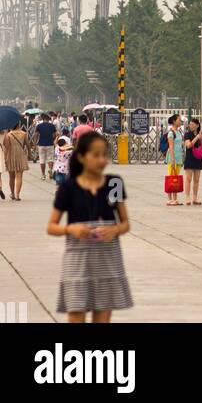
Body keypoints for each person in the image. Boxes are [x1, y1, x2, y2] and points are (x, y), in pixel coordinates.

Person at [47, 130, 132, 323]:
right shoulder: (69, 188)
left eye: (104, 154)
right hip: (78, 259)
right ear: (82, 157)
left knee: (103, 315)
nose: (102, 160)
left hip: (108, 258)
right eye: (96, 155)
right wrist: (71, 229)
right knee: (76, 312)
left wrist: (115, 229)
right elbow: (52, 226)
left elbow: (125, 223)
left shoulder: (114, 184)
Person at [4, 122, 30, 200]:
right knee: (19, 176)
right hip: (21, 155)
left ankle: (12, 194)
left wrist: (5, 157)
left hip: (11, 155)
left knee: (11, 177)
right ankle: (17, 194)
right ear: (18, 125)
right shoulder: (24, 133)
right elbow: (27, 145)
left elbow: (7, 147)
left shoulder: (8, 135)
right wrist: (30, 154)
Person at [183, 117, 202, 205]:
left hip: (198, 158)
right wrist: (196, 137)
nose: (190, 126)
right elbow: (188, 145)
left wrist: (201, 138)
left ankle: (195, 197)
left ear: (197, 125)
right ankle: (187, 197)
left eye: (192, 124)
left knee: (196, 179)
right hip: (190, 158)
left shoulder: (200, 135)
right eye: (190, 124)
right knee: (188, 179)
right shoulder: (187, 134)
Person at [164, 112, 184, 206]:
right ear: (174, 121)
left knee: (176, 179)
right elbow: (171, 147)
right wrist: (172, 159)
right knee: (171, 177)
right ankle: (169, 199)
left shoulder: (179, 132)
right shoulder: (171, 133)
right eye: (179, 120)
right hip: (173, 158)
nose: (180, 121)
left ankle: (175, 199)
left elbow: (181, 144)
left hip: (179, 158)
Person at [34, 114, 58, 180]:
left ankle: (43, 175)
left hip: (41, 144)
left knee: (42, 160)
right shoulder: (52, 126)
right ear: (48, 119)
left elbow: (36, 135)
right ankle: (50, 169)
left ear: (42, 119)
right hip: (50, 144)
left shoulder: (39, 126)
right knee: (50, 159)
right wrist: (53, 138)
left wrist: (35, 143)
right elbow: (56, 134)